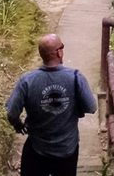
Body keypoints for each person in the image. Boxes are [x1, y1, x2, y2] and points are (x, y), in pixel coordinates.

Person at [6, 33, 98, 176]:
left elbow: (12, 113)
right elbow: (91, 107)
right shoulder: (75, 77)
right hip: (67, 149)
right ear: (59, 52)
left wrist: (18, 125)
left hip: (37, 148)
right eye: (62, 47)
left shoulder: (27, 81)